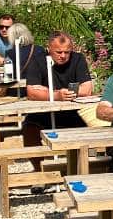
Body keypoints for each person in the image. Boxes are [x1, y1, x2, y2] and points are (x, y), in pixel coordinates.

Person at [23, 31, 94, 166]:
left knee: (87, 132)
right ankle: (39, 172)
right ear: (49, 48)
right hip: (42, 114)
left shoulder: (78, 59)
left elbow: (87, 89)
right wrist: (56, 95)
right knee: (29, 128)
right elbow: (32, 92)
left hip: (72, 113)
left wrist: (66, 93)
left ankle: (78, 169)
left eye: (67, 52)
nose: (63, 56)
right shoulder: (38, 60)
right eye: (58, 52)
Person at [4, 23, 44, 98]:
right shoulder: (39, 50)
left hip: (15, 91)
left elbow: (8, 75)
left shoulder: (10, 53)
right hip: (37, 90)